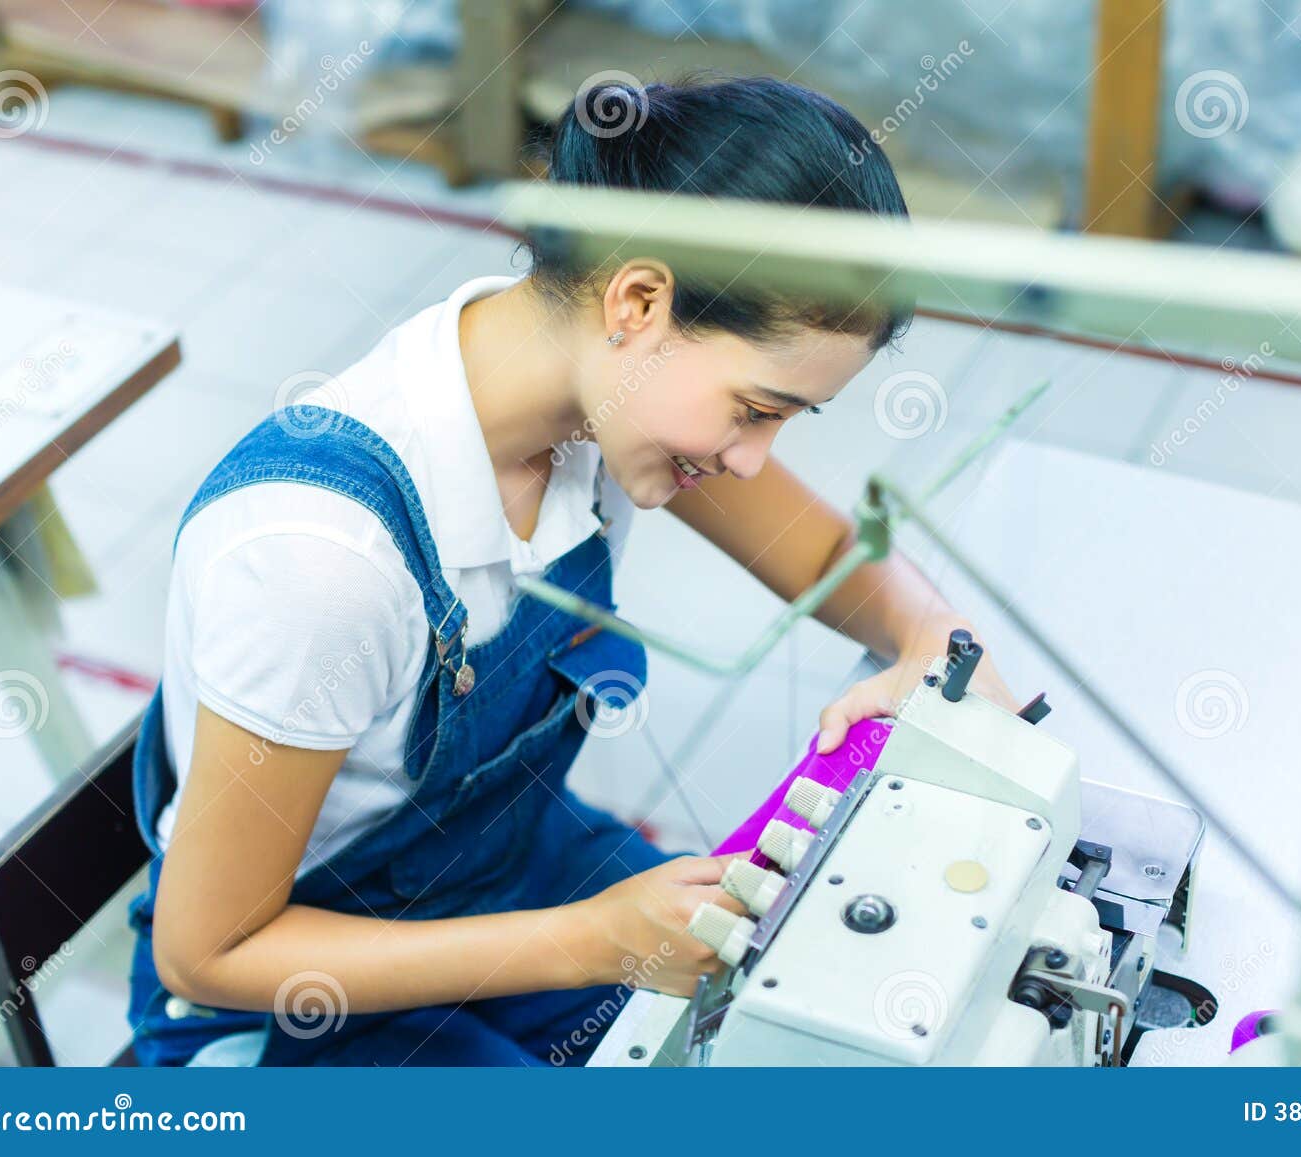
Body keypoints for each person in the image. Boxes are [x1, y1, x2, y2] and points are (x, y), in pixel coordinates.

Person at [126, 75, 1015, 1067]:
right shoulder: (323, 561)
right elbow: (206, 951)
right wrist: (591, 939)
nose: (753, 461)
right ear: (637, 299)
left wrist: (942, 649)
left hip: (510, 875)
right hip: (291, 997)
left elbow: (822, 554)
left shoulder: (600, 393)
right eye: (754, 409)